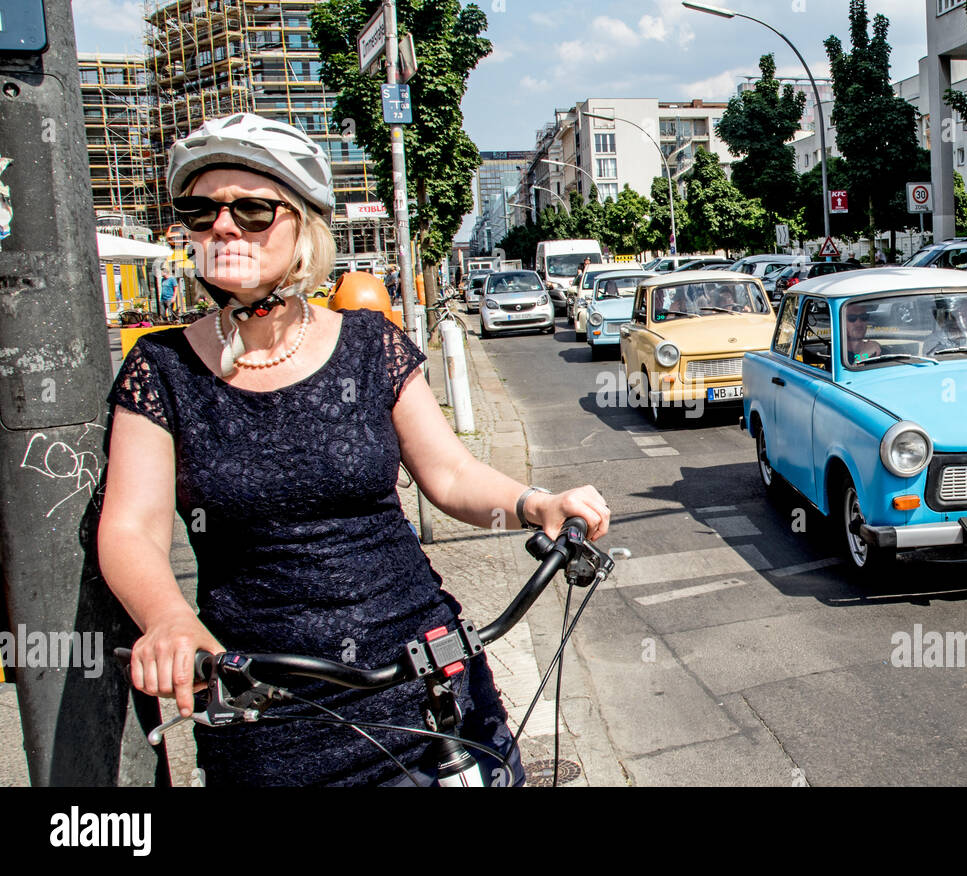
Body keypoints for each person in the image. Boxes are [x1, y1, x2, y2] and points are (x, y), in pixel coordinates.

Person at [98, 113, 611, 787]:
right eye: (201, 211)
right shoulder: (160, 368)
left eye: (252, 210)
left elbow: (450, 475)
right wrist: (167, 619)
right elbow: (130, 526)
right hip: (265, 707)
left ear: (304, 224)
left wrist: (535, 502)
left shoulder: (370, 344)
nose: (223, 228)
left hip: (426, 680)